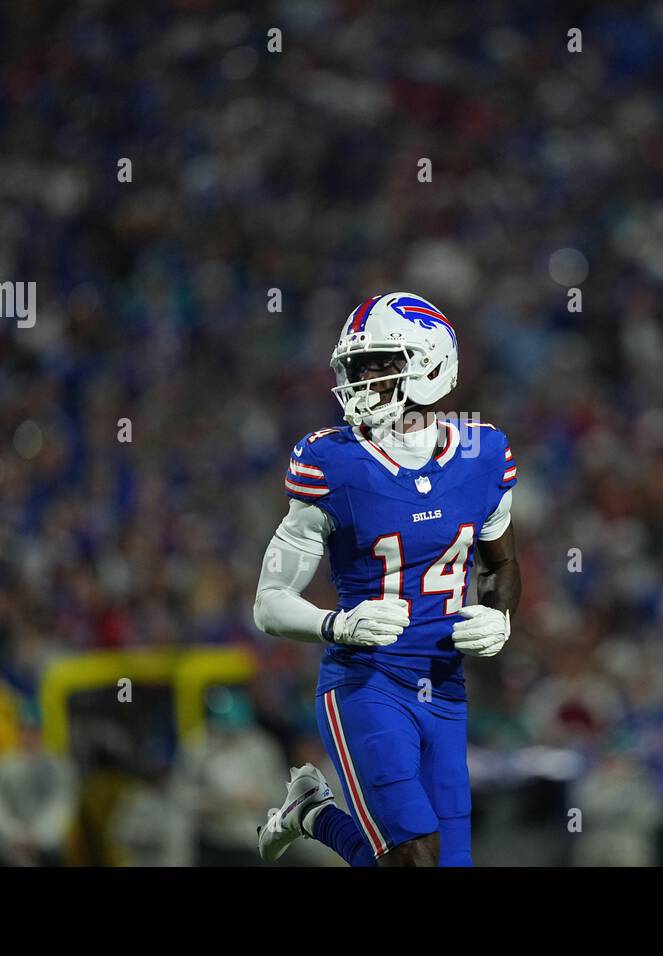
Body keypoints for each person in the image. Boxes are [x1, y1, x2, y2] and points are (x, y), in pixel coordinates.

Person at [252, 292, 521, 866]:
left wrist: (501, 616)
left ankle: (313, 813)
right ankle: (316, 815)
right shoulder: (333, 462)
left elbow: (502, 564)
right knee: (414, 858)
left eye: (378, 364)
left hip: (445, 687)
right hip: (366, 683)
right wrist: (338, 624)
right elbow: (269, 602)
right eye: (355, 367)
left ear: (429, 363)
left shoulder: (483, 452)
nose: (361, 381)